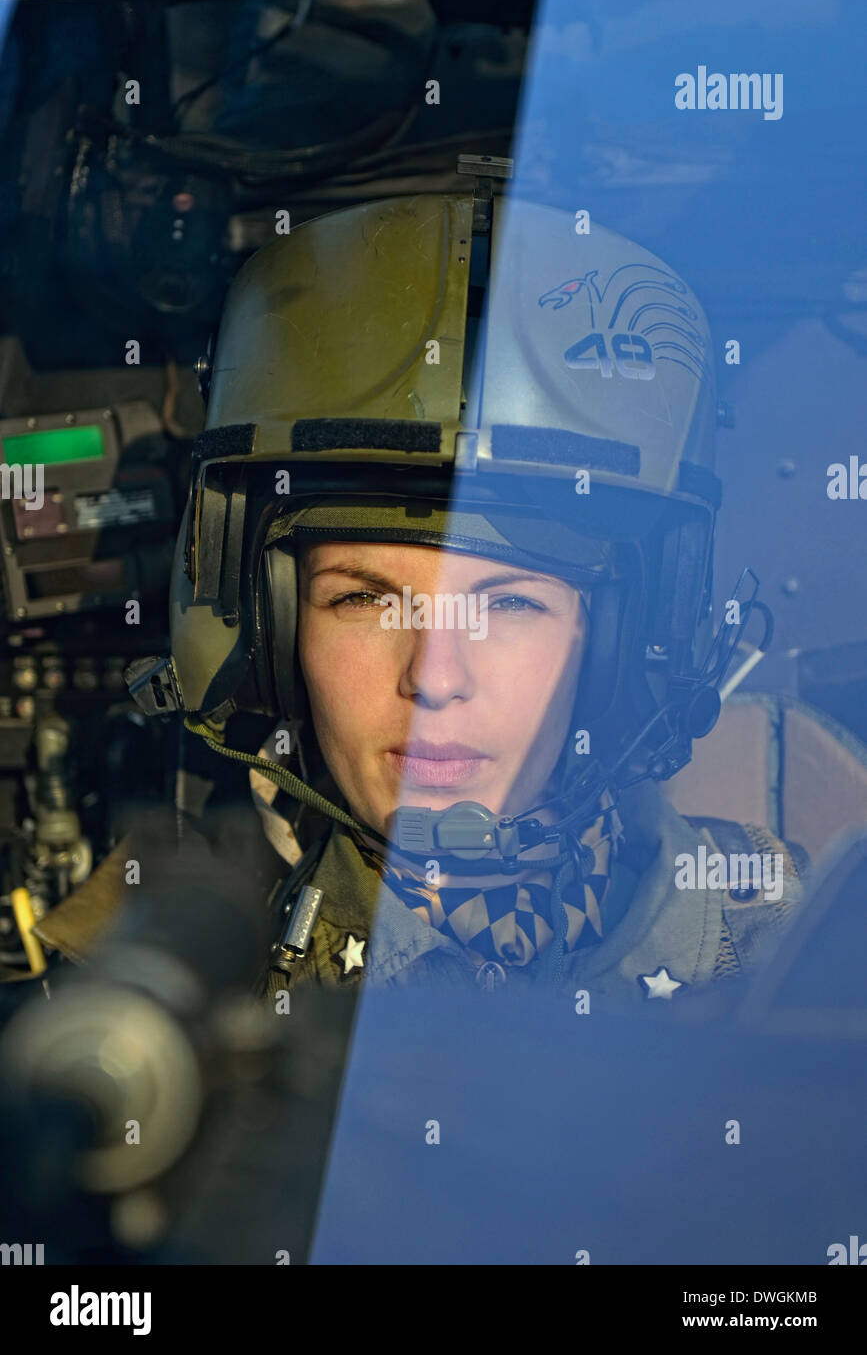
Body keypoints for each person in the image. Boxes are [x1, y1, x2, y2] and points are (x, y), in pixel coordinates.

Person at [46, 189, 812, 1004]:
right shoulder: (153, 974)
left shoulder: (787, 939)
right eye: (364, 600)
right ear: (268, 632)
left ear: (621, 642)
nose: (435, 674)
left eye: (507, 603)